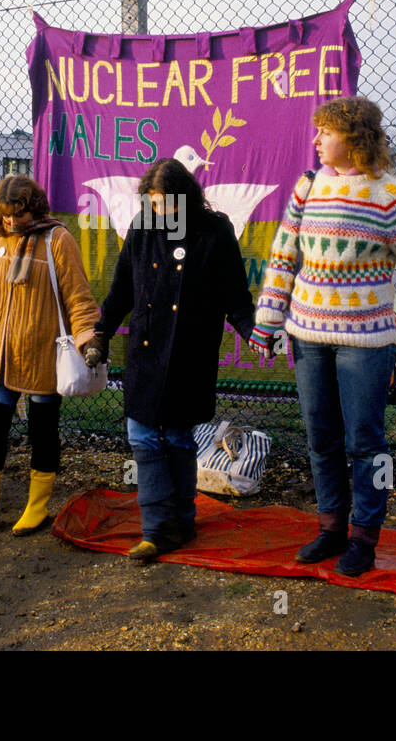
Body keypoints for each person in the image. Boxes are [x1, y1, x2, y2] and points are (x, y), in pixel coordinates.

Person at [250, 97, 396, 577]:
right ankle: (330, 529)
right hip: (307, 338)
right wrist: (267, 321)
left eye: (324, 133)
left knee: (365, 443)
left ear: (352, 138)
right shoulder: (307, 188)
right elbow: (283, 259)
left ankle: (363, 540)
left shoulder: (388, 194)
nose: (314, 141)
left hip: (365, 343)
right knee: (321, 439)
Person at [88, 158, 256, 561]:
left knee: (178, 438)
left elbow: (236, 296)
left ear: (188, 199)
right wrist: (100, 334)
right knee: (143, 436)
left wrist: (257, 334)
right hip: (147, 350)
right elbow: (122, 290)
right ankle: (157, 529)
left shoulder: (215, 232)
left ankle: (182, 519)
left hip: (190, 351)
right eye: (155, 204)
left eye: (169, 205)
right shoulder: (142, 229)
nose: (162, 213)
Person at [0, 175, 99, 537]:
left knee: (42, 429)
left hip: (41, 353)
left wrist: (88, 339)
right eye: (5, 215)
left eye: (19, 213)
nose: (12, 222)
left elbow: (77, 296)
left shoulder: (58, 240)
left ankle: (37, 507)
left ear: (35, 208)